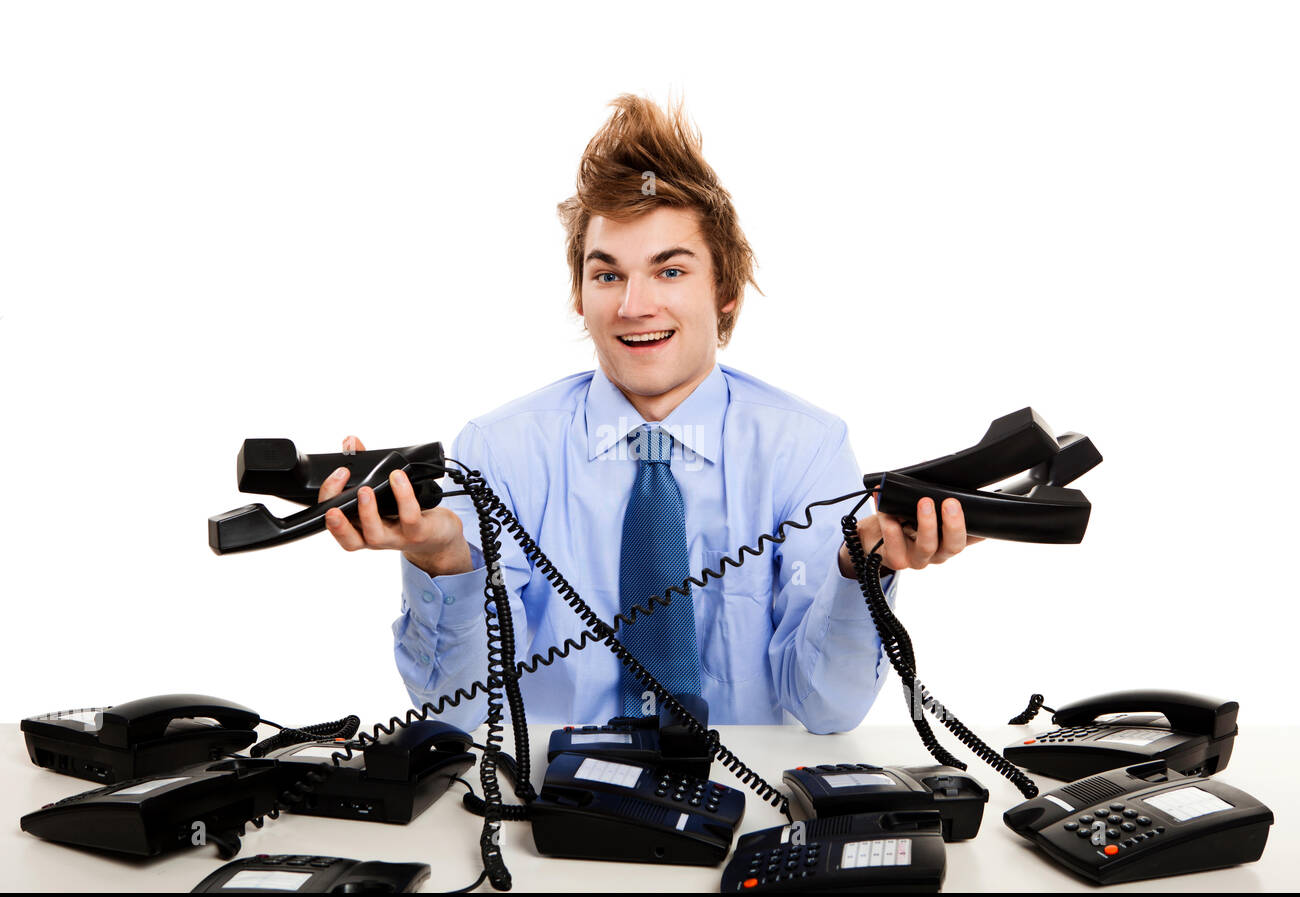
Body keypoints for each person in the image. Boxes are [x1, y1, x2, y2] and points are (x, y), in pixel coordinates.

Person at [318, 94, 979, 734]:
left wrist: (861, 569)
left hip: (732, 797)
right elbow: (455, 712)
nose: (634, 306)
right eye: (607, 275)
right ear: (580, 295)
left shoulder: (805, 449)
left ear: (724, 288)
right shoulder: (499, 450)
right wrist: (443, 560)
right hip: (551, 794)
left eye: (670, 271)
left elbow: (826, 708)